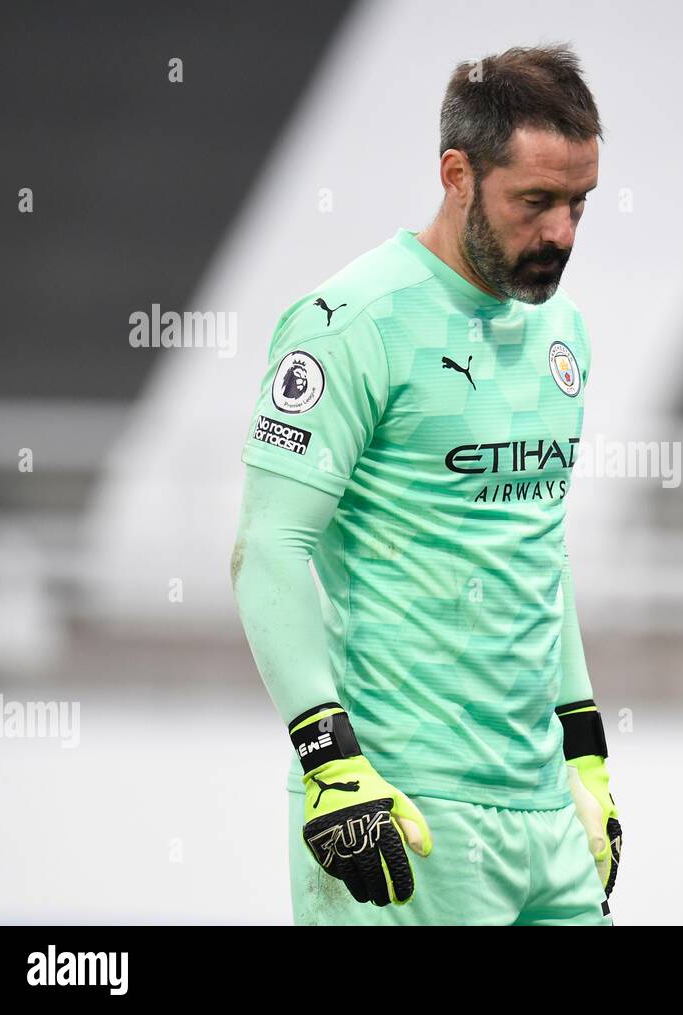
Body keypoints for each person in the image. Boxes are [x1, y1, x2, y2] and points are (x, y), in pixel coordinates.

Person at [230, 43, 619, 925]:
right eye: (536, 202)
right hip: (404, 813)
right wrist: (332, 764)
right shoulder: (350, 324)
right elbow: (268, 546)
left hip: (548, 820)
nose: (562, 232)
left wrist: (585, 755)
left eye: (579, 203)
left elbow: (536, 548)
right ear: (457, 174)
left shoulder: (565, 334)